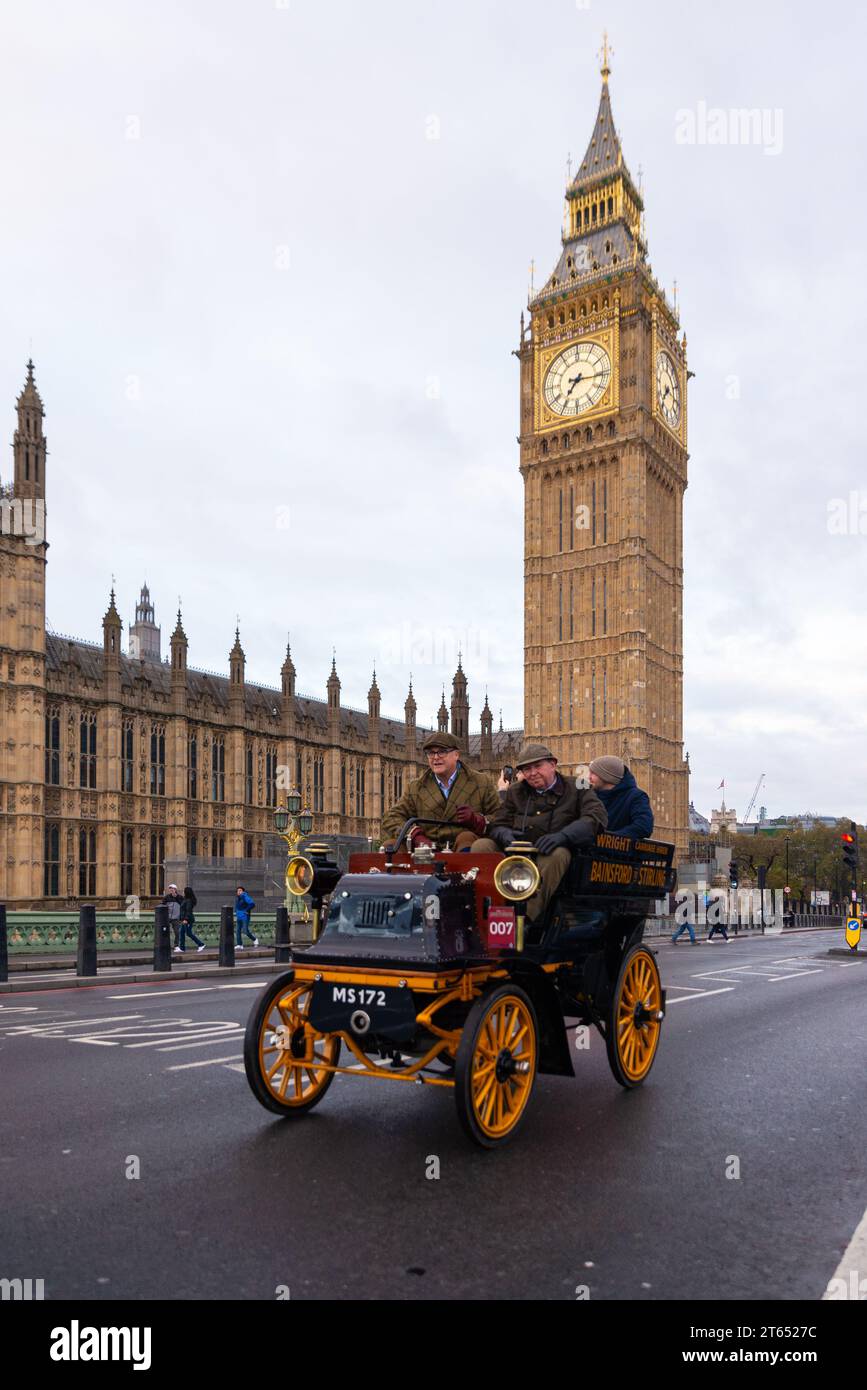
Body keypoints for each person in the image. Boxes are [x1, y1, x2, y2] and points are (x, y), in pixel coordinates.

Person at [471, 742, 607, 922]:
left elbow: (595, 818)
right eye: (526, 769)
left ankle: (526, 918)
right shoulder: (515, 791)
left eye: (537, 766)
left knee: (557, 856)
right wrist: (503, 833)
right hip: (517, 853)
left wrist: (563, 836)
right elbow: (498, 823)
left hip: (553, 854)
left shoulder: (578, 786)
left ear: (553, 764)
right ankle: (484, 913)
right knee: (482, 845)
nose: (532, 773)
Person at [380, 731, 501, 851]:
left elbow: (501, 818)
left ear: (456, 755)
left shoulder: (481, 782)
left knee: (467, 839)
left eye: (442, 752)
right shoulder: (416, 787)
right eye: (431, 753)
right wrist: (414, 834)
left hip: (463, 847)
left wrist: (477, 820)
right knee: (389, 846)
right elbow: (390, 818)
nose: (436, 757)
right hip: (427, 850)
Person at [587, 756, 654, 839]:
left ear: (606, 776)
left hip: (620, 850)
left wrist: (607, 840)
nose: (588, 777)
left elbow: (643, 827)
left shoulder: (636, 797)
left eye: (593, 773)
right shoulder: (589, 796)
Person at [177, 885, 205, 954]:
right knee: (181, 932)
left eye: (184, 891)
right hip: (184, 919)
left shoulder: (188, 901)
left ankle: (201, 944)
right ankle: (182, 948)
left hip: (187, 920)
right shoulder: (185, 900)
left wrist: (186, 919)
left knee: (188, 933)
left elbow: (188, 910)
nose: (183, 892)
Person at [235, 885, 258, 949]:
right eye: (238, 891)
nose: (239, 892)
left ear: (243, 891)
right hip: (239, 917)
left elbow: (252, 904)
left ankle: (254, 939)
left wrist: (246, 910)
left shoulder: (245, 896)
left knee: (245, 930)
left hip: (245, 916)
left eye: (240, 890)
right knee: (238, 931)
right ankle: (239, 944)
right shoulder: (238, 898)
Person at [162, 884, 183, 948]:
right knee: (165, 931)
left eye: (172, 889)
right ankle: (165, 944)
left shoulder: (180, 897)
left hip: (176, 918)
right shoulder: (167, 897)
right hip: (167, 918)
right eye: (170, 889)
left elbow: (183, 906)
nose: (171, 890)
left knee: (177, 932)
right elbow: (162, 905)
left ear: (175, 889)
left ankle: (176, 945)